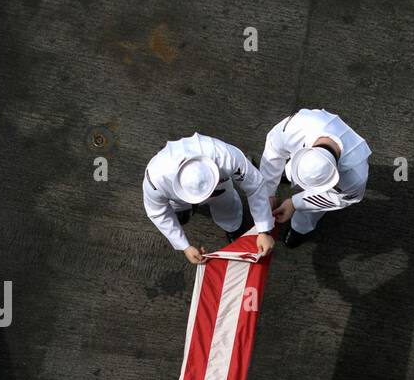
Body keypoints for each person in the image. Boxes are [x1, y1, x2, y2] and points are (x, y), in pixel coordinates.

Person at [143, 132, 276, 265]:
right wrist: (184, 246)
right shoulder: (156, 180)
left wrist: (264, 230)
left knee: (226, 206)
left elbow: (255, 185)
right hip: (179, 200)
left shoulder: (225, 156)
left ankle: (233, 228)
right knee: (176, 212)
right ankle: (183, 210)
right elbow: (158, 213)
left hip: (220, 188)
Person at [258, 108, 371, 248]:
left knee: (310, 212)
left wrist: (295, 203)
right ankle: (290, 174)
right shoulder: (298, 125)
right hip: (303, 165)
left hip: (331, 188)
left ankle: (299, 229)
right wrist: (267, 192)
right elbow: (274, 151)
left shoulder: (355, 177)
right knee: (288, 172)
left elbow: (340, 199)